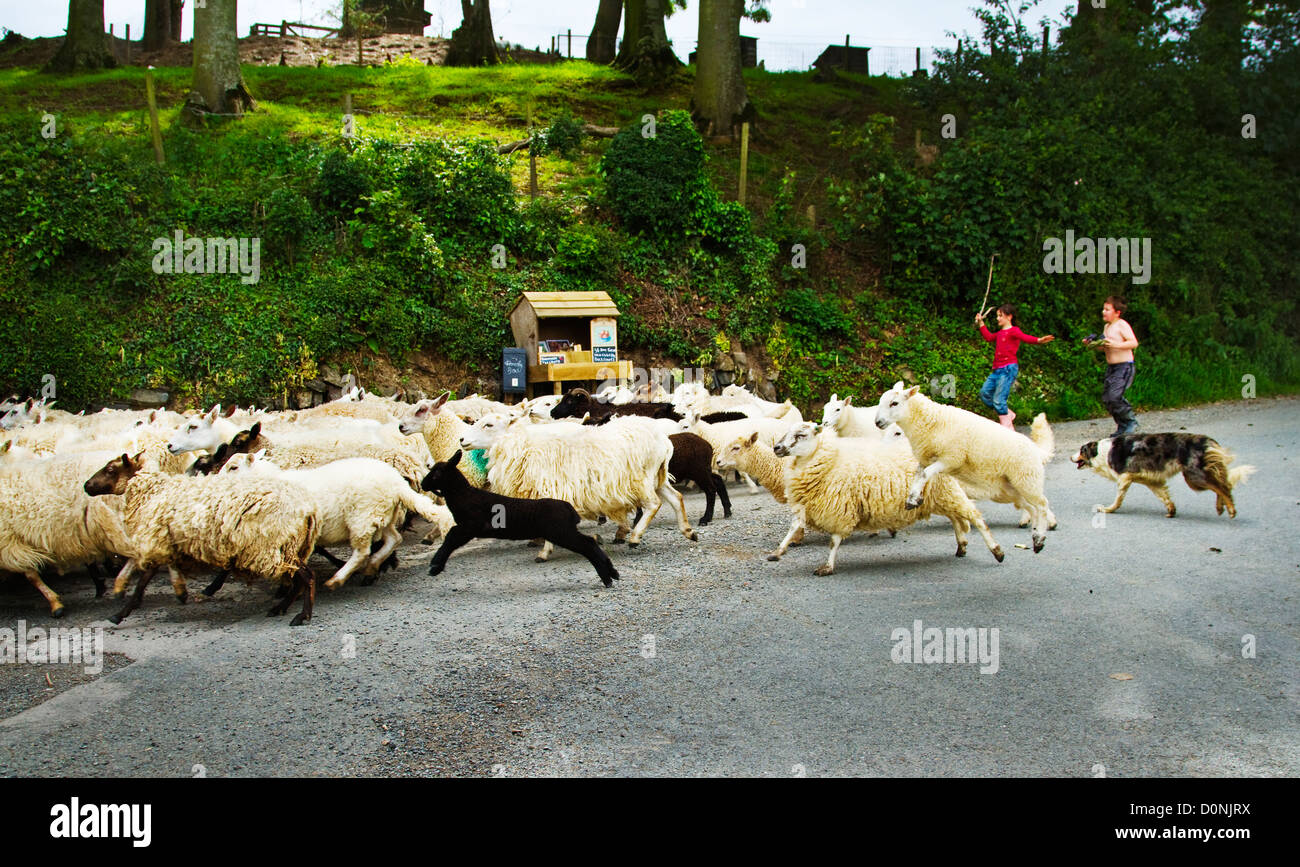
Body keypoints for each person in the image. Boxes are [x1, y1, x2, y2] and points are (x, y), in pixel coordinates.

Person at [975, 304, 1055, 428]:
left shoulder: (1014, 331)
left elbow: (1025, 337)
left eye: (1000, 316)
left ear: (1009, 317)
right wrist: (981, 323)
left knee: (999, 400)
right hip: (997, 370)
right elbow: (989, 337)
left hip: (1008, 369)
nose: (997, 318)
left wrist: (1038, 340)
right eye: (997, 316)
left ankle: (1008, 429)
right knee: (985, 394)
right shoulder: (1000, 333)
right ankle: (1007, 413)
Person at [1083, 295, 1140, 436]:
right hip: (1112, 368)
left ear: (1117, 312)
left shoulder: (1122, 325)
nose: (1103, 312)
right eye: (1103, 309)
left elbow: (1133, 343)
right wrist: (1093, 344)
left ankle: (1131, 421)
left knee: (1114, 396)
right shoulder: (1107, 327)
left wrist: (1117, 345)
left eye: (1107, 309)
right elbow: (1105, 347)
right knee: (1107, 398)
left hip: (1124, 367)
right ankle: (1122, 426)